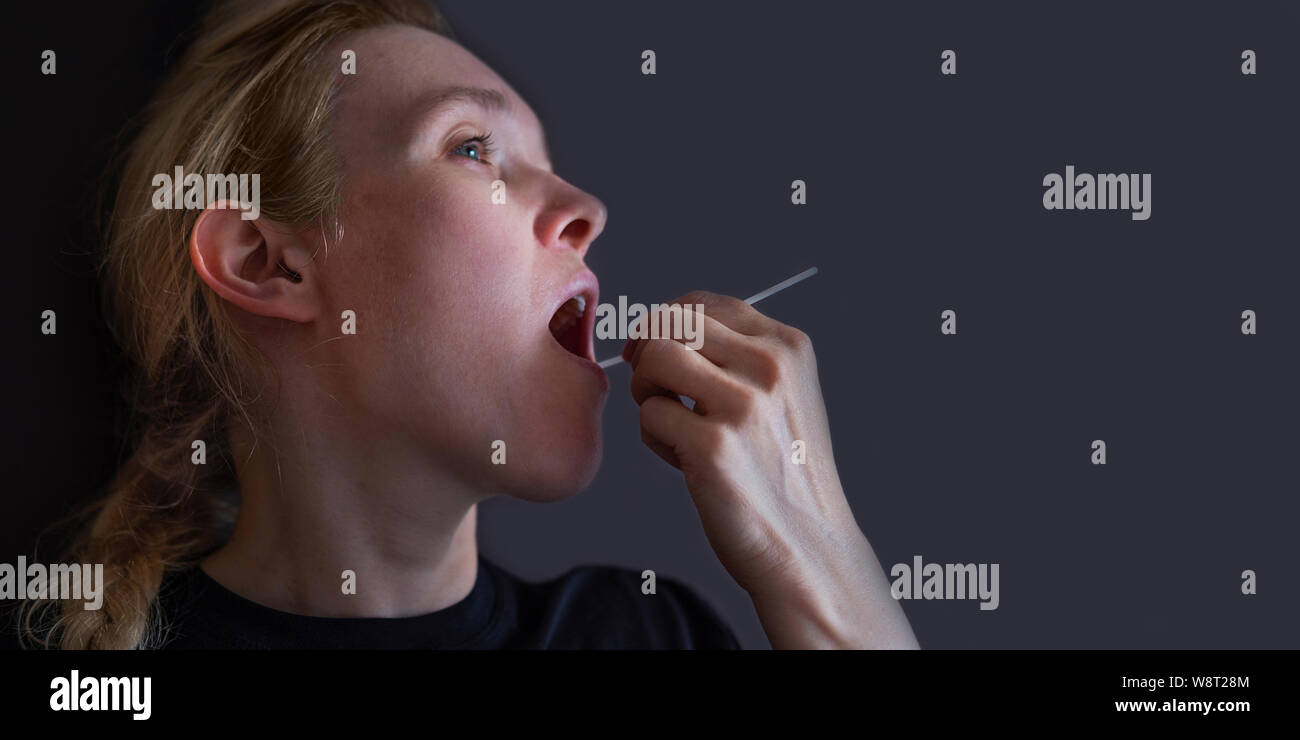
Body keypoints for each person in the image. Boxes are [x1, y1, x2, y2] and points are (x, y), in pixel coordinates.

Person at [21, 0, 918, 650]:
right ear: (268, 262)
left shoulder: (643, 636)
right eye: (473, 148)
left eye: (549, 162)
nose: (586, 209)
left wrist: (817, 558)